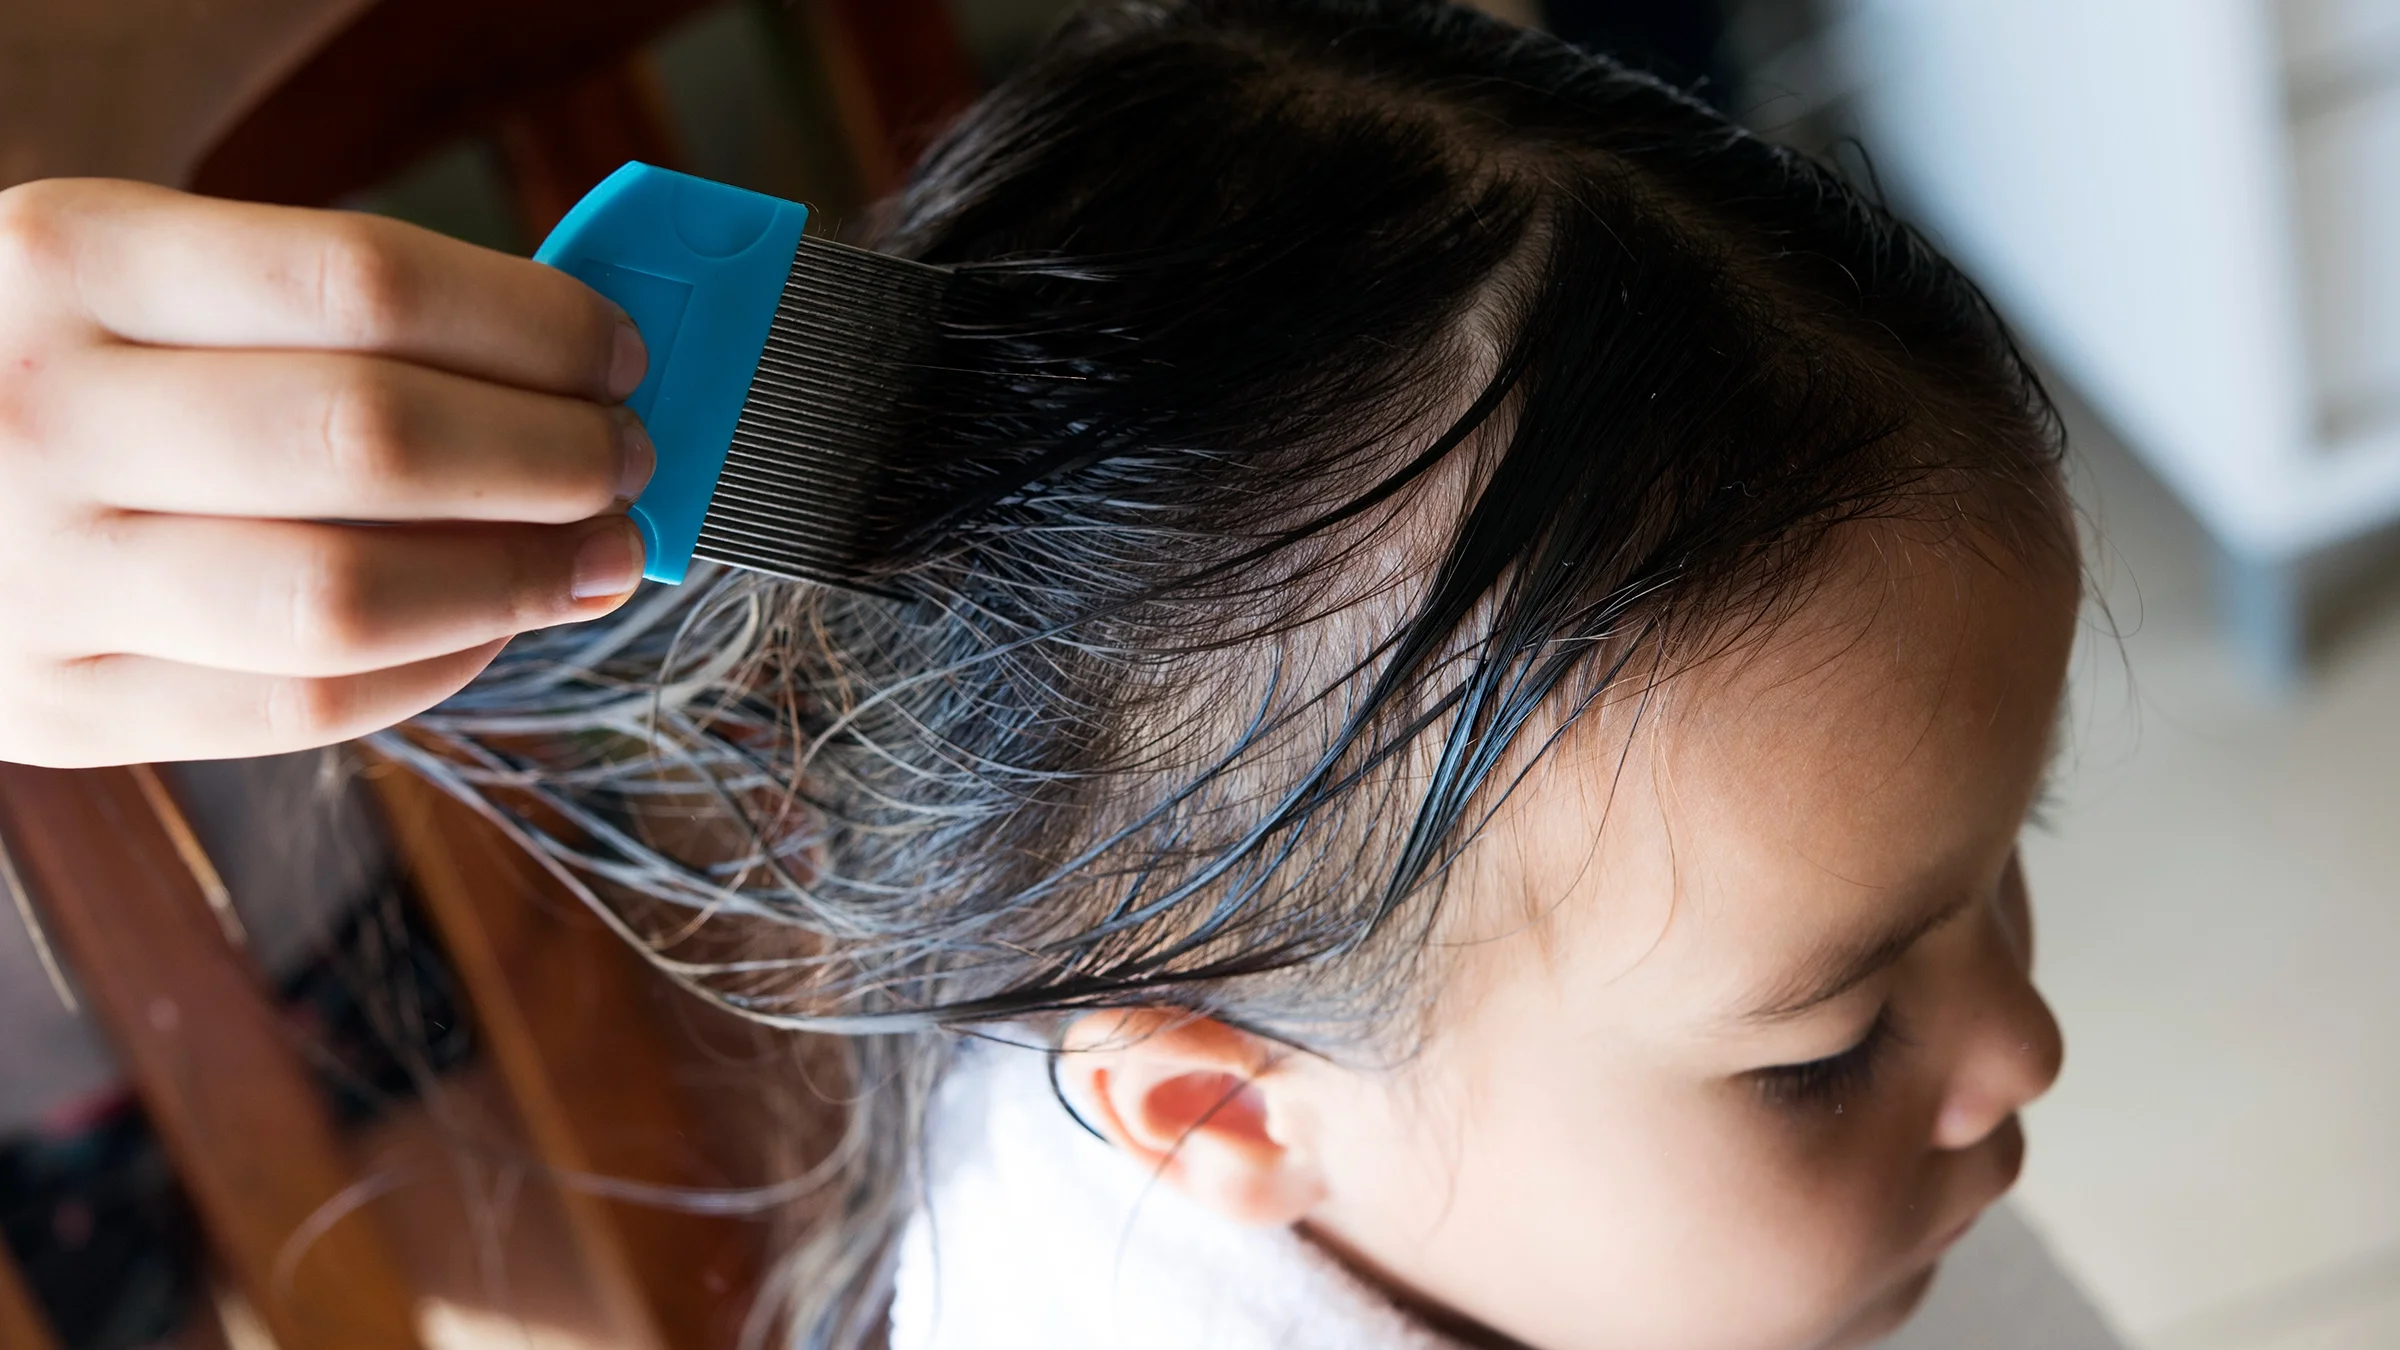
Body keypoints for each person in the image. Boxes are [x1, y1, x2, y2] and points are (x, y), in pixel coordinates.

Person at [1, 2, 2105, 1348]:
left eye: (2000, 870)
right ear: (1202, 1106)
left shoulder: (1590, 1176)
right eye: (1823, 1040)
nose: (2027, 1045)